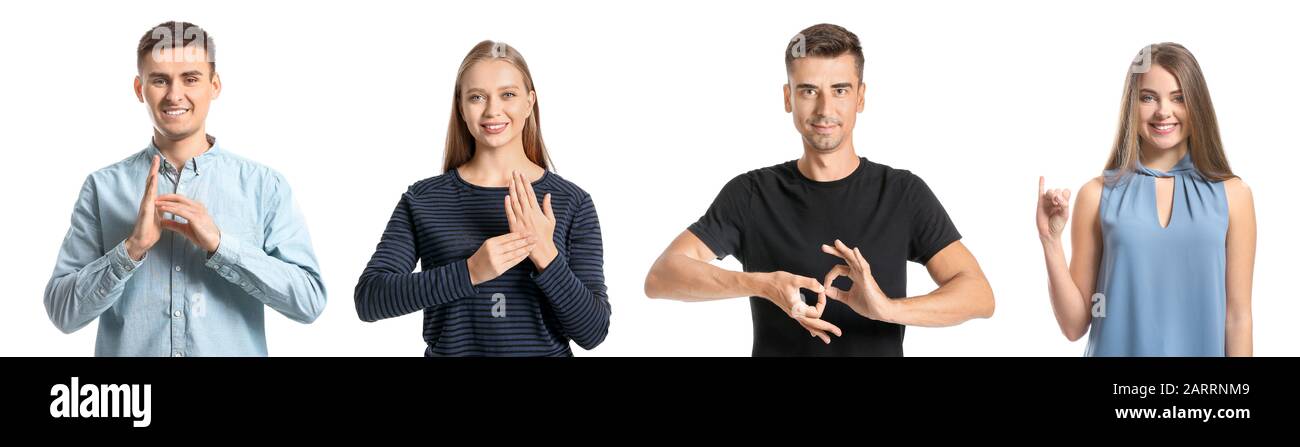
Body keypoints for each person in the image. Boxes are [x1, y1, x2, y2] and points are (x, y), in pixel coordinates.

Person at [643, 24, 994, 356]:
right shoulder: (752, 194)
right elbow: (662, 276)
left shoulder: (902, 193)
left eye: (840, 90)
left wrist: (886, 308)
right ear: (788, 98)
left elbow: (979, 294)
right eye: (809, 91)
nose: (825, 109)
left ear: (860, 97)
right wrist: (763, 285)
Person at [44, 21, 327, 356]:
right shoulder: (102, 188)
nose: (174, 95)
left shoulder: (264, 186)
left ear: (214, 85)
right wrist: (131, 250)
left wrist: (221, 246)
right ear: (139, 88)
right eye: (160, 80)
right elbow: (63, 314)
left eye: (190, 79)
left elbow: (309, 302)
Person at [354, 41, 610, 356]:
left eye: (508, 94)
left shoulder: (573, 202)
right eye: (477, 97)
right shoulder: (423, 199)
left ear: (529, 103)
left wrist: (546, 254)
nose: (492, 110)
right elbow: (369, 299)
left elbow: (594, 333)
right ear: (461, 107)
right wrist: (471, 271)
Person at [1036, 43, 1255, 356]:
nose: (1163, 111)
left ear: (1197, 104)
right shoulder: (1096, 196)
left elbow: (1238, 318)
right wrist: (1051, 241)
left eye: (1178, 97)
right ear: (1131, 104)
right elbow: (1075, 325)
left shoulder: (1234, 196)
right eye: (1148, 97)